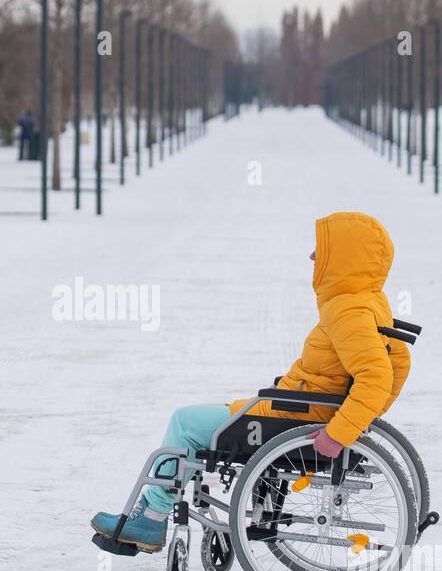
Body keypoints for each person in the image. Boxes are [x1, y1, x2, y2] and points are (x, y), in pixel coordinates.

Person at [90, 211, 413, 552]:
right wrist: (356, 420)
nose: (313, 256)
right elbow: (399, 364)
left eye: (322, 249)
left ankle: (151, 517)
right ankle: (152, 512)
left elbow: (377, 376)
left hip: (294, 418)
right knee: (208, 416)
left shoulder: (348, 311)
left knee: (184, 423)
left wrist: (340, 432)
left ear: (345, 258)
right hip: (298, 408)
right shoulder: (368, 302)